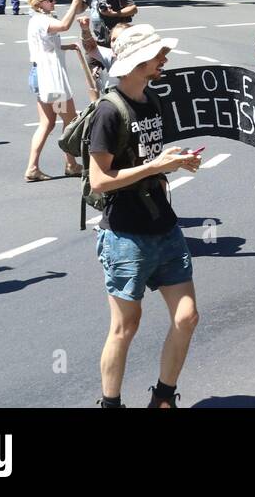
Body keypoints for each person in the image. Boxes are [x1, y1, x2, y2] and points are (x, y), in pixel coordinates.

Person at [89, 25, 202, 408]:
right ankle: (110, 404)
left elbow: (147, 162)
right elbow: (99, 180)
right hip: (125, 234)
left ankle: (164, 397)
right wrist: (156, 166)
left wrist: (175, 162)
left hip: (163, 225)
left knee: (187, 317)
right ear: (138, 63)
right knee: (125, 326)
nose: (163, 60)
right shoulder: (108, 111)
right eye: (157, 56)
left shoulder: (151, 100)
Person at [23, 0, 85, 182]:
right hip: (51, 80)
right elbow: (65, 26)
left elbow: (46, 45)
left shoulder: (39, 20)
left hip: (41, 76)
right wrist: (75, 0)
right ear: (40, 3)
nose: (54, 1)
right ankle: (72, 165)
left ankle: (34, 167)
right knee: (71, 121)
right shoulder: (41, 20)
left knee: (47, 123)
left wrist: (66, 46)